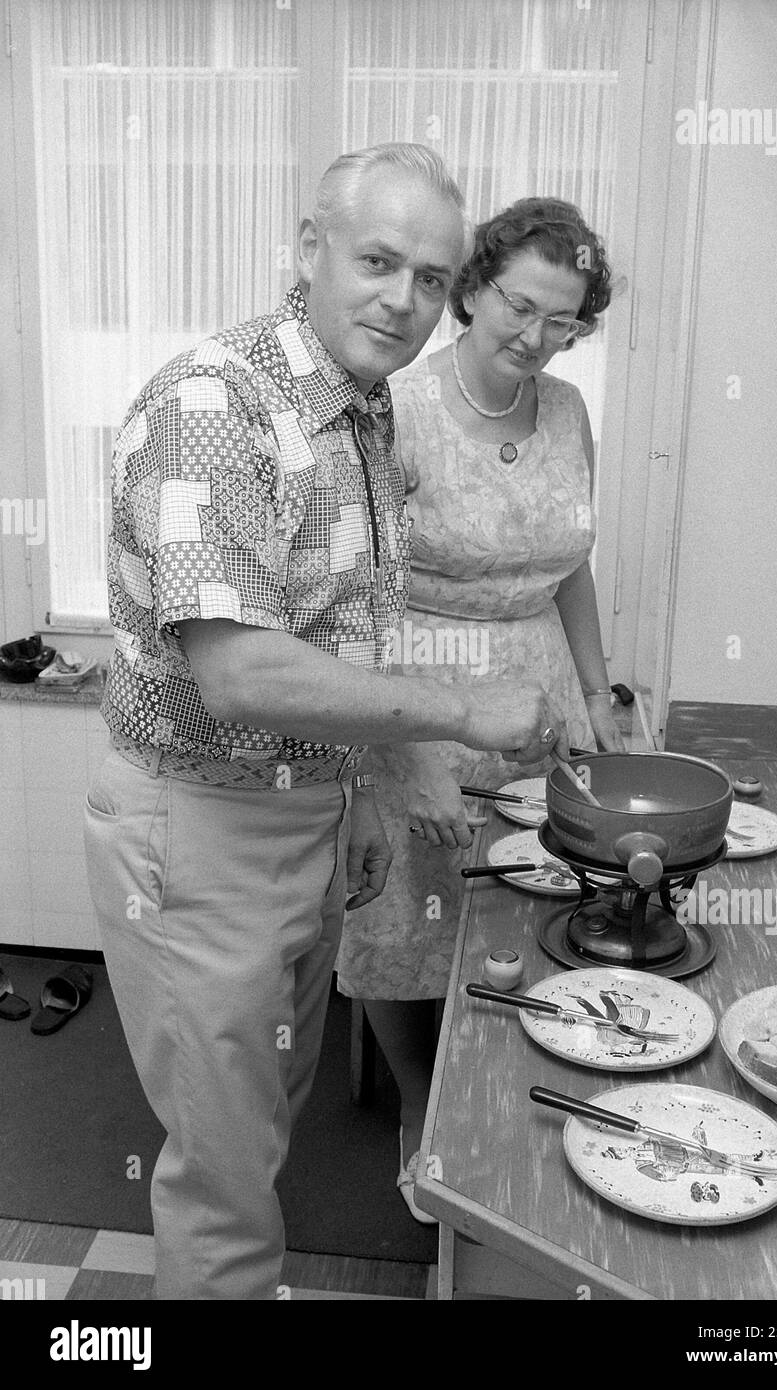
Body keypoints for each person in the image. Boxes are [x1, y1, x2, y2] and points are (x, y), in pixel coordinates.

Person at [83, 146, 571, 1301]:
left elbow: (339, 625)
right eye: (377, 261)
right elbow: (244, 673)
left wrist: (362, 786)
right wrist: (462, 714)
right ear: (309, 251)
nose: (404, 299)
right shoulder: (216, 401)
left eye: (431, 277)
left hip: (303, 807)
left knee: (268, 1110)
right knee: (225, 1161)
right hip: (197, 823)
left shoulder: (363, 411)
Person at [336, 196, 624, 1221]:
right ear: (473, 286)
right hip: (422, 691)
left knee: (532, 908)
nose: (538, 338)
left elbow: (574, 565)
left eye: (567, 321)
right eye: (522, 307)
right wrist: (401, 747)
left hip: (539, 699)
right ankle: (427, 1110)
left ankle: (512, 1095)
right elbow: (352, 598)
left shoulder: (570, 412)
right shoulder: (395, 409)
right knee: (402, 920)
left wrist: (597, 694)